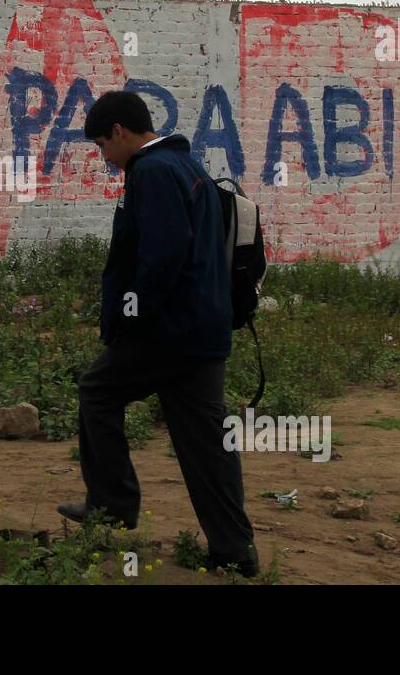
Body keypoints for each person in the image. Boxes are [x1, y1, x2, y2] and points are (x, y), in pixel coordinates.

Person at [57, 90, 258, 576]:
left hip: (168, 333)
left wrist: (131, 317)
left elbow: (162, 257)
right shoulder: (189, 167)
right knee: (205, 442)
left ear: (120, 132)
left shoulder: (151, 172)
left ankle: (113, 505)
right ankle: (235, 550)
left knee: (97, 391)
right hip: (203, 331)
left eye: (103, 145)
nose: (105, 158)